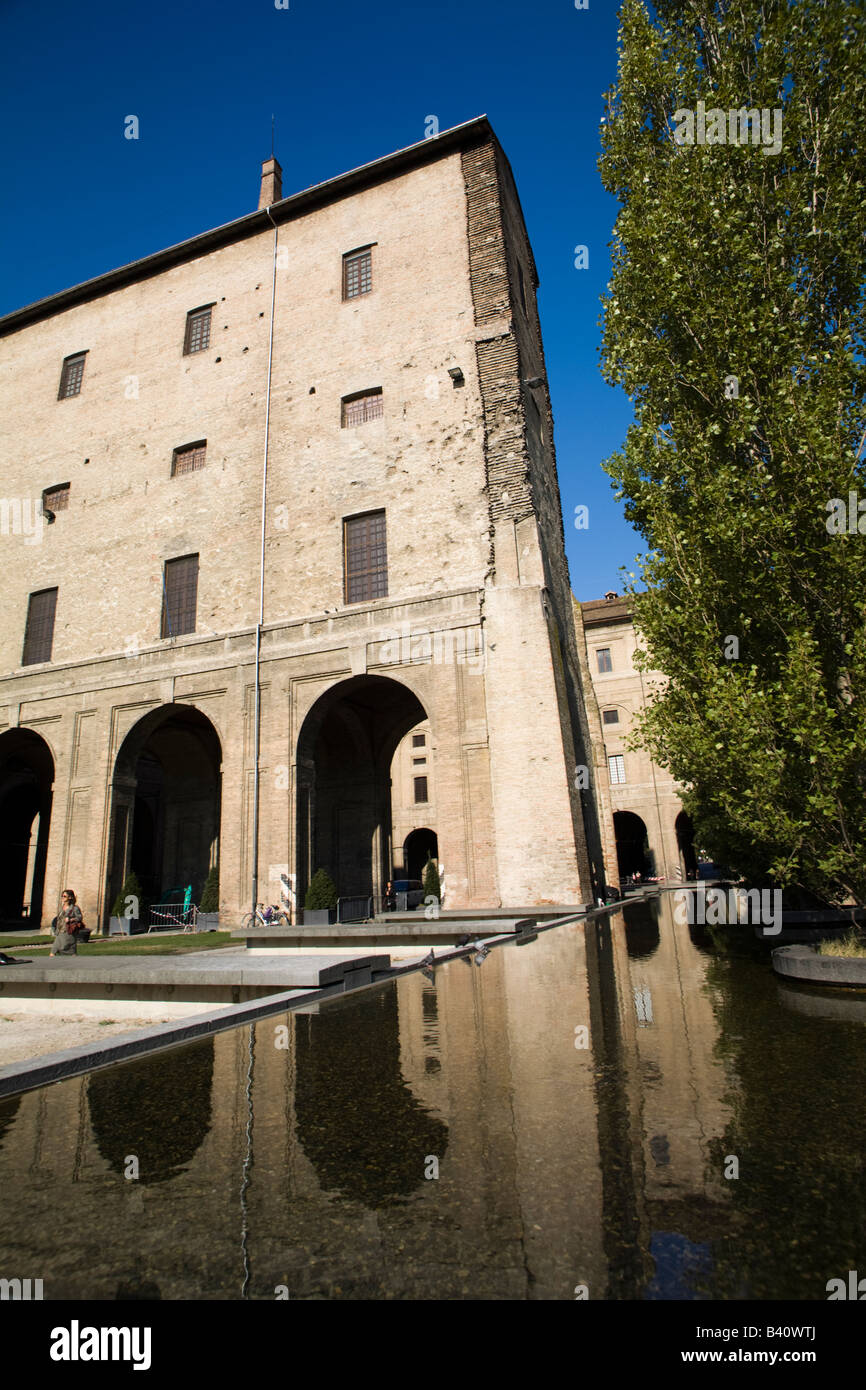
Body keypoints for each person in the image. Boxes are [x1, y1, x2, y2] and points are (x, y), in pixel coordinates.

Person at [50, 888, 83, 956]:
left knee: (71, 951)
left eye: (64, 896)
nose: (62, 897)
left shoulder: (74, 908)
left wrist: (71, 919)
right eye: (62, 896)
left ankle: (75, 960)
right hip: (60, 932)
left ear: (70, 897)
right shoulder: (62, 907)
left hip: (69, 933)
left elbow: (79, 917)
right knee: (53, 950)